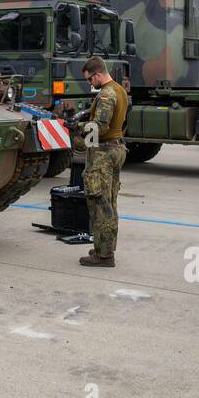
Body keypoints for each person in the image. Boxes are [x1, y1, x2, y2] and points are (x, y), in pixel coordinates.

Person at [79, 56, 129, 268]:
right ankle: (104, 248)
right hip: (116, 149)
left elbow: (100, 127)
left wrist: (80, 128)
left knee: (100, 203)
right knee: (110, 201)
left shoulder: (106, 95)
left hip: (104, 153)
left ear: (97, 74)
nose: (90, 84)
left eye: (90, 79)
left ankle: (104, 256)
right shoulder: (119, 89)